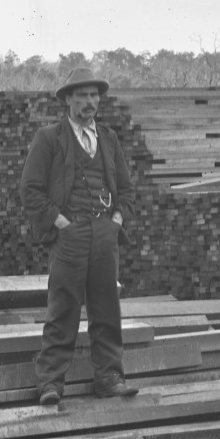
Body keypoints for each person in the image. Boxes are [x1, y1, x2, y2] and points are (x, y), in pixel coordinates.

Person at [21, 67, 139, 410]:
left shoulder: (109, 139)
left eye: (93, 96)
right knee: (63, 309)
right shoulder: (49, 138)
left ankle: (109, 379)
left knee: (106, 310)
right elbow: (30, 189)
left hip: (105, 234)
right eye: (82, 96)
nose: (89, 103)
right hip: (69, 235)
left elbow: (128, 190)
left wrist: (116, 220)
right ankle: (50, 383)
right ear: (67, 100)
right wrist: (59, 222)